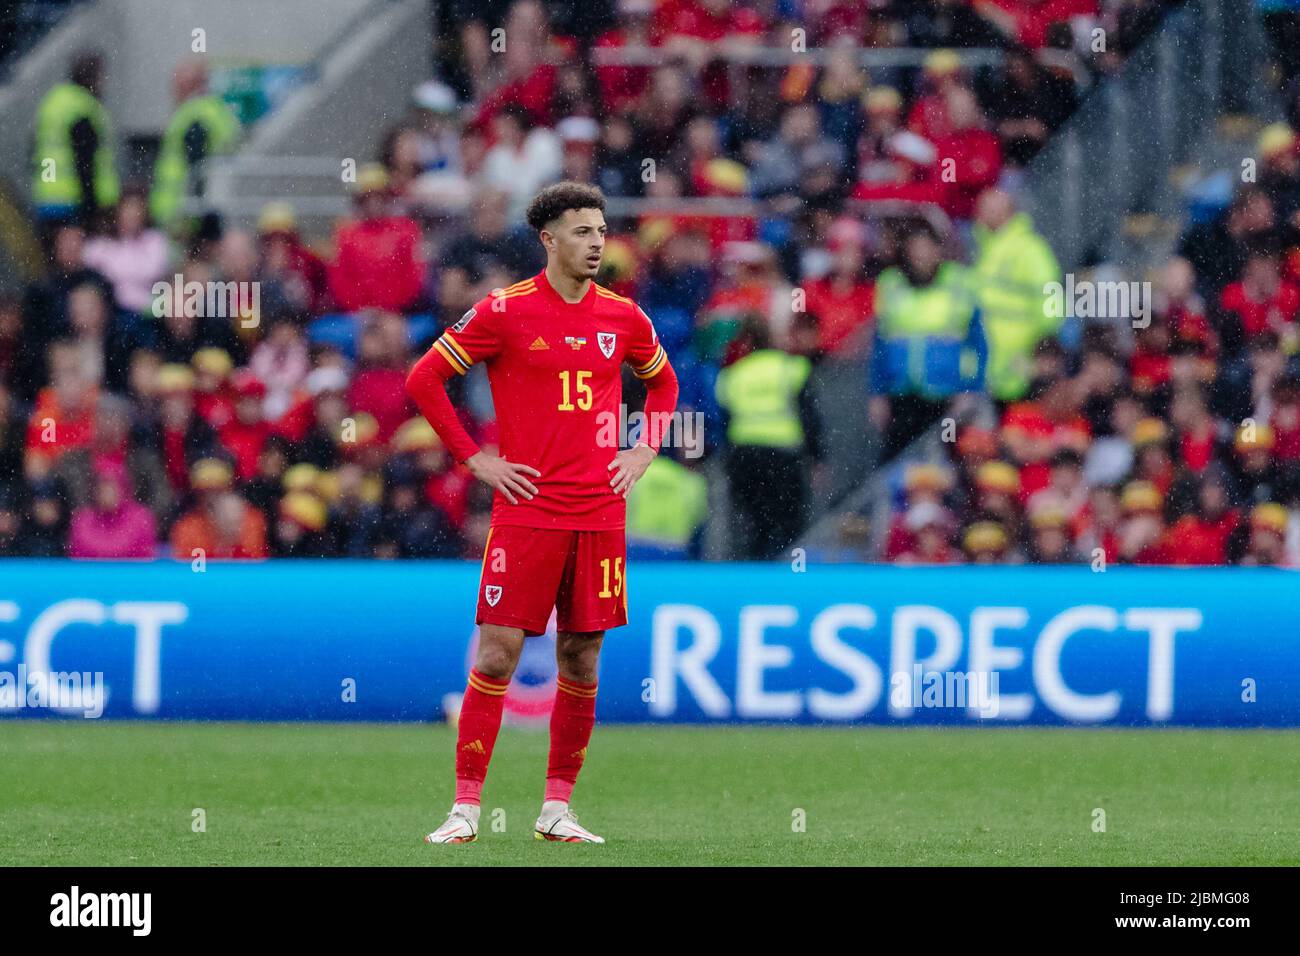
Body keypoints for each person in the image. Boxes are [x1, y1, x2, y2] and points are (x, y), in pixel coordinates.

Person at [405, 181, 678, 845]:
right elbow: (424, 379)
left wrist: (643, 449)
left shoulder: (624, 317)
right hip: (527, 512)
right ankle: (465, 810)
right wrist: (476, 459)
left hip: (600, 514)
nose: (596, 242)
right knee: (498, 655)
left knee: (581, 660)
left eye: (601, 230)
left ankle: (557, 809)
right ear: (548, 239)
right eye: (582, 231)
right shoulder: (504, 311)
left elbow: (664, 383)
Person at [715, 316, 822, 559]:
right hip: (784, 455)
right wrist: (817, 456)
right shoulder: (791, 368)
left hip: (745, 456)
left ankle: (754, 573)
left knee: (754, 525)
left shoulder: (734, 374)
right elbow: (809, 415)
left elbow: (724, 419)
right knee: (789, 524)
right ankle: (785, 576)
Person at [31, 50, 119, 230]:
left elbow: (34, 150)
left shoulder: (54, 101)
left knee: (54, 255)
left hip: (48, 199)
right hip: (73, 201)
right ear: (93, 77)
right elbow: (85, 160)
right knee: (75, 255)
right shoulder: (82, 107)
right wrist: (91, 207)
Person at [150, 58, 240, 230]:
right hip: (198, 208)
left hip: (183, 213)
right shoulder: (213, 111)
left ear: (193, 84)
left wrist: (194, 212)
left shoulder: (194, 114)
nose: (174, 91)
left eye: (178, 84)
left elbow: (198, 166)